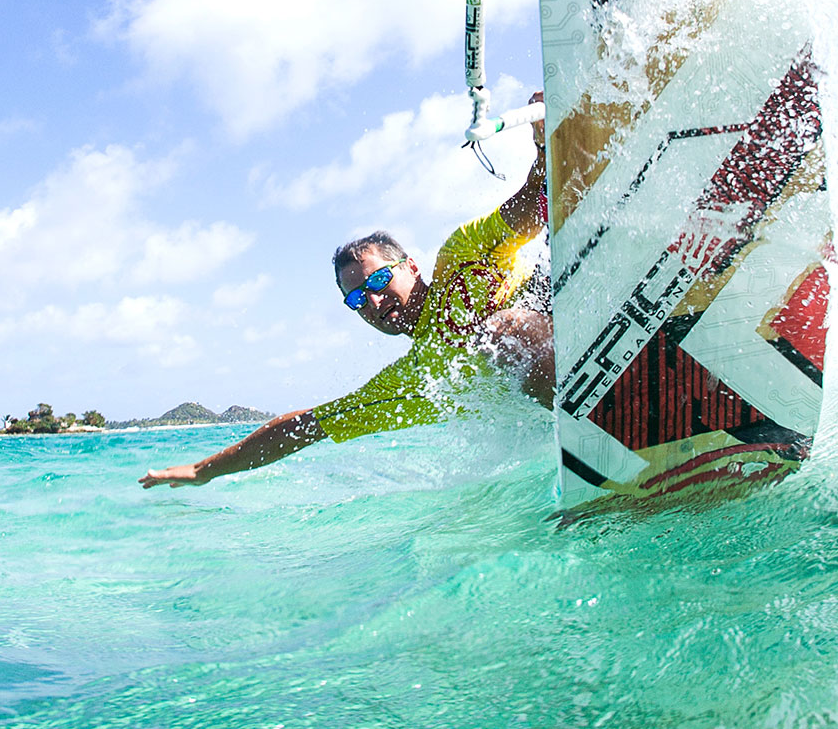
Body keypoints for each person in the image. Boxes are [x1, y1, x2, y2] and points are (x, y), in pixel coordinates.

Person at [139, 97, 552, 490]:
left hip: (563, 300)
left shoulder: (462, 256)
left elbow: (538, 198)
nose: (372, 302)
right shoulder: (419, 379)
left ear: (410, 267)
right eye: (357, 299)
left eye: (378, 281)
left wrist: (543, 143)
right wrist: (204, 470)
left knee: (501, 328)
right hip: (554, 399)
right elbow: (305, 426)